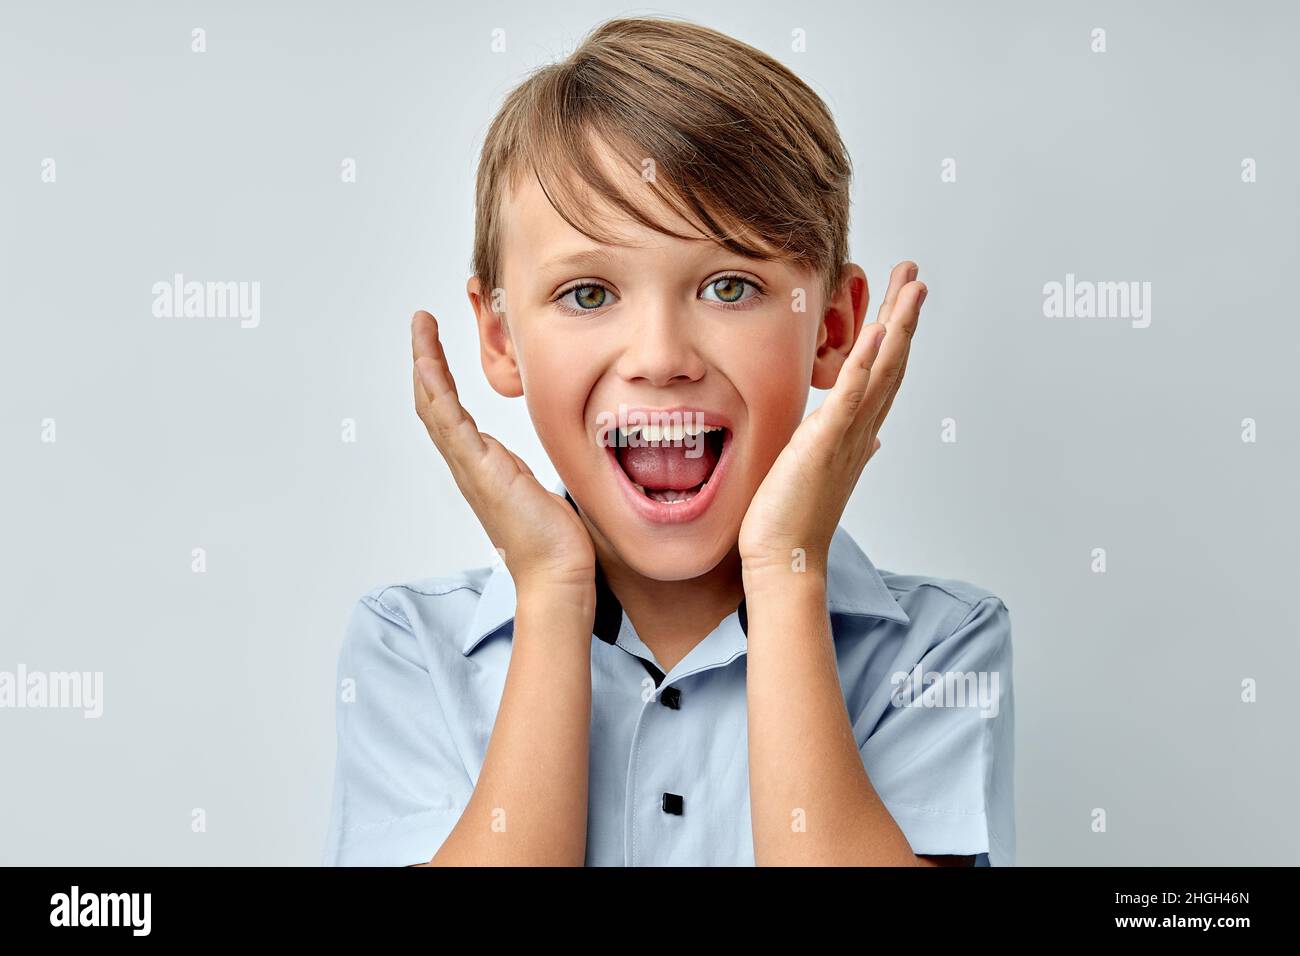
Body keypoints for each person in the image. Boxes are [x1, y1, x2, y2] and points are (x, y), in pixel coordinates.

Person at [324, 15, 1014, 867]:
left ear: (832, 327)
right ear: (500, 337)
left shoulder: (940, 649)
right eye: (587, 293)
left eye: (728, 286)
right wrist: (551, 592)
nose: (659, 358)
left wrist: (786, 573)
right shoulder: (410, 649)